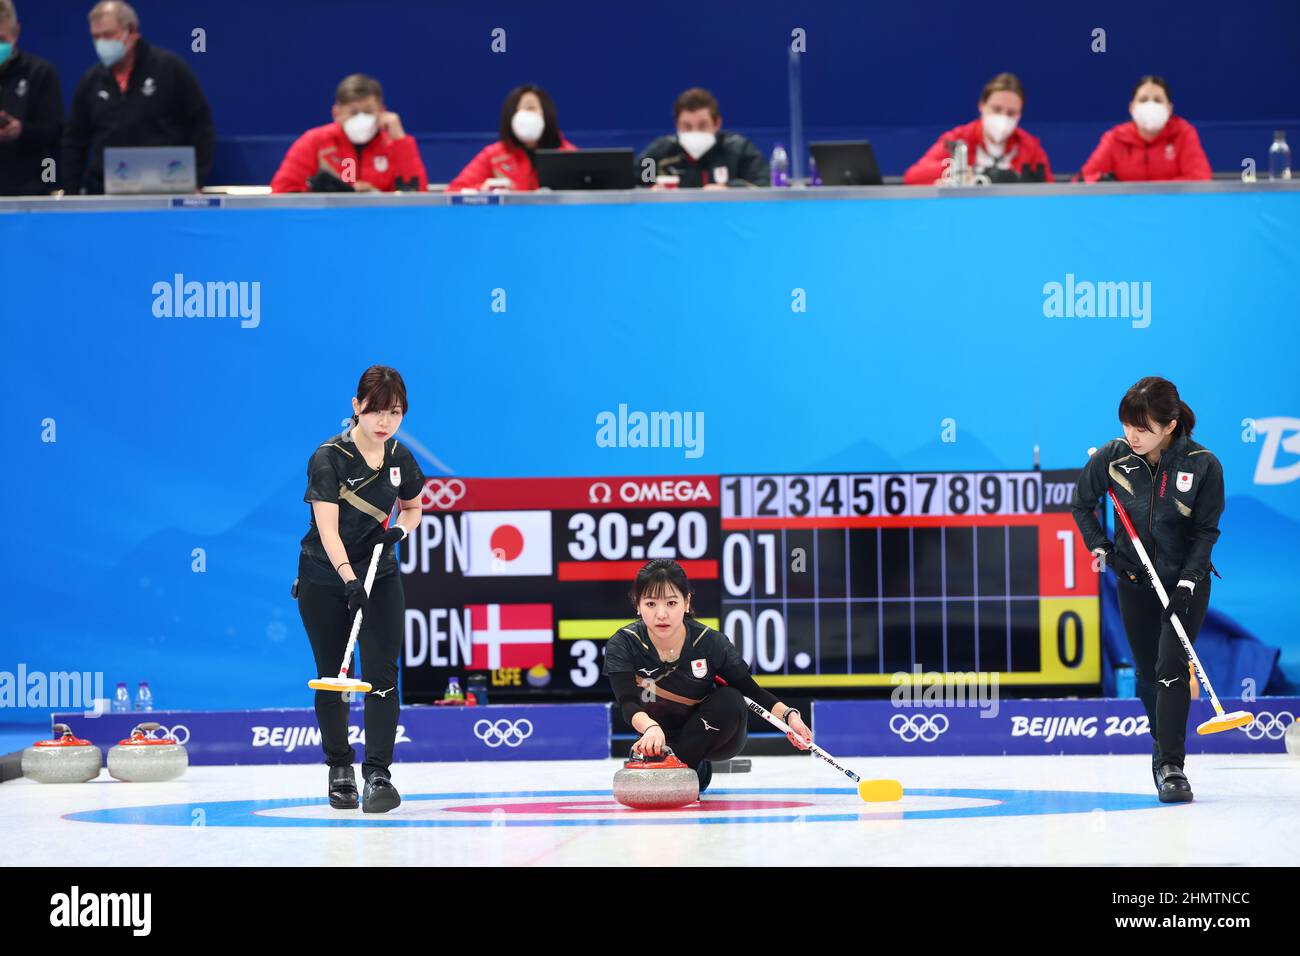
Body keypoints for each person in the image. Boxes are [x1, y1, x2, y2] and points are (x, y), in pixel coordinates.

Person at [1071, 377, 1224, 803]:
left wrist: (1189, 582)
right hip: (1135, 582)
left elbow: (1206, 532)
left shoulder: (1202, 464)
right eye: (1127, 425)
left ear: (1170, 424)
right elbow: (1082, 505)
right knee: (1146, 673)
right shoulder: (1113, 457)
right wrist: (1104, 548)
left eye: (1143, 427)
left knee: (1172, 667)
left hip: (1184, 584)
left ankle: (1171, 766)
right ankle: (1162, 746)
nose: (1132, 435)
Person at [297, 366, 426, 813]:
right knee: (334, 676)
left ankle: (378, 775)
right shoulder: (328, 458)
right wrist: (348, 579)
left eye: (394, 412)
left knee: (382, 676)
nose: (384, 421)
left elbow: (412, 508)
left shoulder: (400, 459)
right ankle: (340, 769)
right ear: (356, 407)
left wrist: (400, 534)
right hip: (325, 578)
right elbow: (327, 530)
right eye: (375, 410)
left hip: (380, 574)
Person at [603, 559, 812, 792]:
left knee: (731, 698)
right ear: (638, 605)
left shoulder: (710, 643)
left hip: (712, 733)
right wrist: (651, 728)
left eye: (671, 603)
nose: (661, 614)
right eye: (651, 604)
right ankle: (677, 765)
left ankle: (684, 765)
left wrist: (790, 716)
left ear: (686, 602)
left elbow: (751, 691)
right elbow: (628, 702)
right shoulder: (623, 644)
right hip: (655, 733)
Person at [61, 1, 215, 195]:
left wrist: (198, 180)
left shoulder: (169, 68)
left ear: (132, 32)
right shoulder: (91, 81)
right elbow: (74, 142)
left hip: (168, 190)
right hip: (106, 193)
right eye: (96, 37)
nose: (101, 43)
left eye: (108, 35)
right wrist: (72, 195)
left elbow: (202, 125)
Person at [270, 74, 427, 193]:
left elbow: (418, 194)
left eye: (368, 112)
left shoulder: (394, 145)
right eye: (353, 112)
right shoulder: (315, 142)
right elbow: (283, 192)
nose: (361, 118)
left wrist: (400, 140)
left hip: (381, 224)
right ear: (336, 113)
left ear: (382, 111)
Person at [903, 73, 1052, 185]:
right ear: (982, 105)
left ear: (1020, 115)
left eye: (1011, 113)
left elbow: (1051, 192)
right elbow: (912, 177)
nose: (1003, 117)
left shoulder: (1030, 147)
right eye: (997, 109)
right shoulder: (958, 140)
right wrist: (960, 171)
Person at [444, 84, 574, 192]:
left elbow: (589, 194)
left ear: (546, 111)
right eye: (515, 111)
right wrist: (484, 189)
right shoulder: (493, 155)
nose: (523, 115)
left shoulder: (568, 154)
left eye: (530, 107)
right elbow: (453, 191)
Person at [1080, 76, 1211, 182]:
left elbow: (1200, 178)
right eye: (1143, 100)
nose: (1150, 105)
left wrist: (1149, 192)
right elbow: (1084, 178)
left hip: (1174, 208)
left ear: (1169, 109)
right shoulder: (1115, 138)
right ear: (1131, 108)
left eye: (1158, 100)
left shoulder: (1184, 133)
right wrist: (1102, 182)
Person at [637, 87, 768, 188]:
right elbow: (635, 184)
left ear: (717, 123)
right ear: (677, 125)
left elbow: (763, 185)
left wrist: (729, 188)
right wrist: (651, 190)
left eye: (703, 126)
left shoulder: (740, 150)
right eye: (687, 126)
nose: (695, 132)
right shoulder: (657, 155)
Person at [0, 0, 63, 196]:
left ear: (16, 33)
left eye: (1, 40)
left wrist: (21, 131)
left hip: (29, 190)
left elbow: (55, 132)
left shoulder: (40, 73)